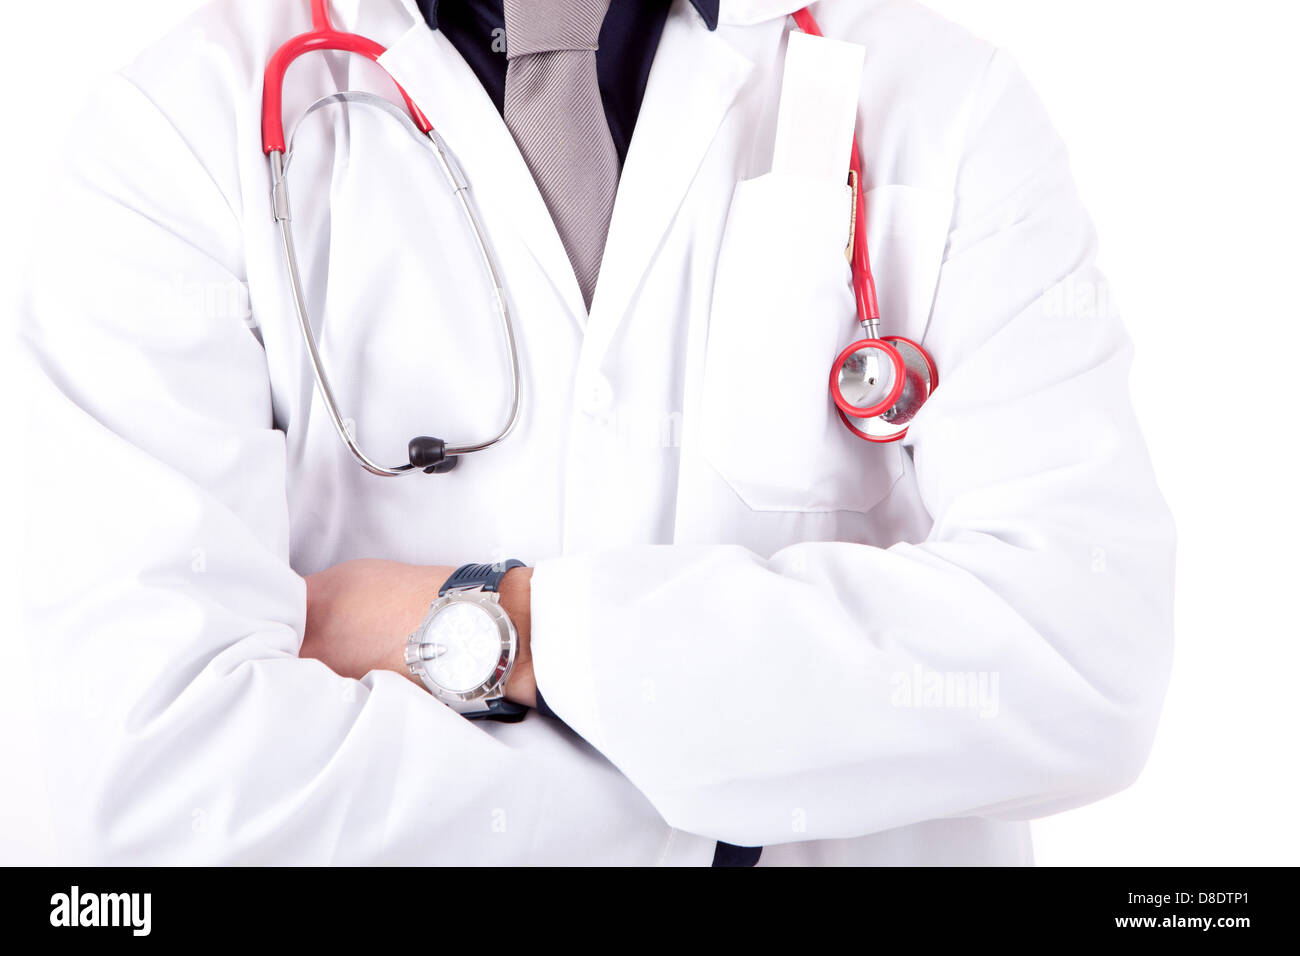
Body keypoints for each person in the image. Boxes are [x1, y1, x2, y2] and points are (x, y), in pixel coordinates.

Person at [18, 0, 1175, 866]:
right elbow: (149, 776)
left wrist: (499, 626)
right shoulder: (173, 132)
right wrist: (741, 816)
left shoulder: (947, 104)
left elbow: (1079, 662)